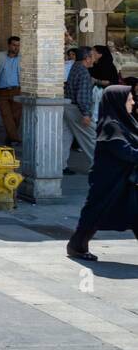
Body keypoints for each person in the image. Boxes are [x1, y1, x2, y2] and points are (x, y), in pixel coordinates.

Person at [68, 86, 138, 262]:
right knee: (95, 213)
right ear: (118, 102)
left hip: (125, 181)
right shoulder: (111, 126)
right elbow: (125, 152)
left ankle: (77, 245)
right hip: (109, 182)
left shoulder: (126, 122)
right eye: (129, 99)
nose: (133, 102)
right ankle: (77, 245)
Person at [63, 47, 98, 175]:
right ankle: (99, 166)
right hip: (76, 109)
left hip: (67, 106)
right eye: (92, 56)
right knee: (92, 136)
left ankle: (60, 166)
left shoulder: (75, 67)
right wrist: (86, 114)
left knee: (65, 137)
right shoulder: (83, 72)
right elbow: (82, 95)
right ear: (87, 58)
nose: (94, 59)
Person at [0, 35, 22, 144]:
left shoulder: (21, 57)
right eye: (14, 45)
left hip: (16, 90)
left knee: (16, 116)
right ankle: (14, 138)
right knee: (6, 115)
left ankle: (9, 139)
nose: (16, 47)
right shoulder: (0, 56)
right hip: (2, 90)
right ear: (9, 45)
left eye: (18, 45)